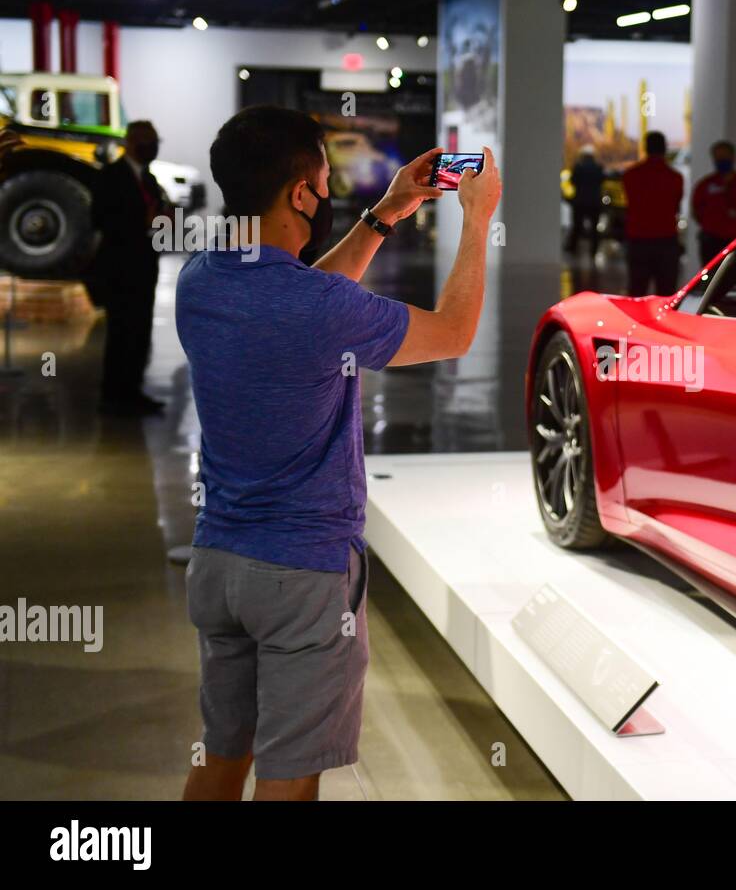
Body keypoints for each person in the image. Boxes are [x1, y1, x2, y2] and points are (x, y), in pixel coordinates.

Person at [176, 105, 501, 801]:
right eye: (323, 180)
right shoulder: (316, 307)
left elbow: (306, 298)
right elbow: (452, 334)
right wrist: (477, 221)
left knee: (220, 756)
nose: (327, 193)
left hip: (219, 564)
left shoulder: (201, 279)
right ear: (302, 193)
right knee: (289, 780)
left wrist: (387, 212)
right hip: (303, 576)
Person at [87, 120, 170, 415]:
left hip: (145, 267)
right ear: (132, 142)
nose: (152, 147)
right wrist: (140, 223)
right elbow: (100, 219)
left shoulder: (149, 179)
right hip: (119, 268)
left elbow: (157, 215)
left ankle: (132, 390)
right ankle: (113, 395)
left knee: (140, 331)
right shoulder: (110, 177)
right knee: (121, 332)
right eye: (147, 141)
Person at [620, 131, 683, 296]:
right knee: (666, 293)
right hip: (666, 240)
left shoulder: (630, 175)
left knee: (637, 290)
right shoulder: (675, 177)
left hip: (638, 239)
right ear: (664, 148)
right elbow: (676, 206)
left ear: (646, 148)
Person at [691, 140, 736, 269]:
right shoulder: (705, 184)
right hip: (711, 242)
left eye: (724, 157)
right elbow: (696, 211)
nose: (721, 160)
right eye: (718, 157)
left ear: (733, 158)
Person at [566, 144, 604, 256]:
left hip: (580, 201)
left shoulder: (578, 167)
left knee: (577, 226)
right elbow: (601, 181)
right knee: (594, 229)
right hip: (594, 202)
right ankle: (594, 250)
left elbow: (573, 181)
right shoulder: (598, 168)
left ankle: (573, 248)